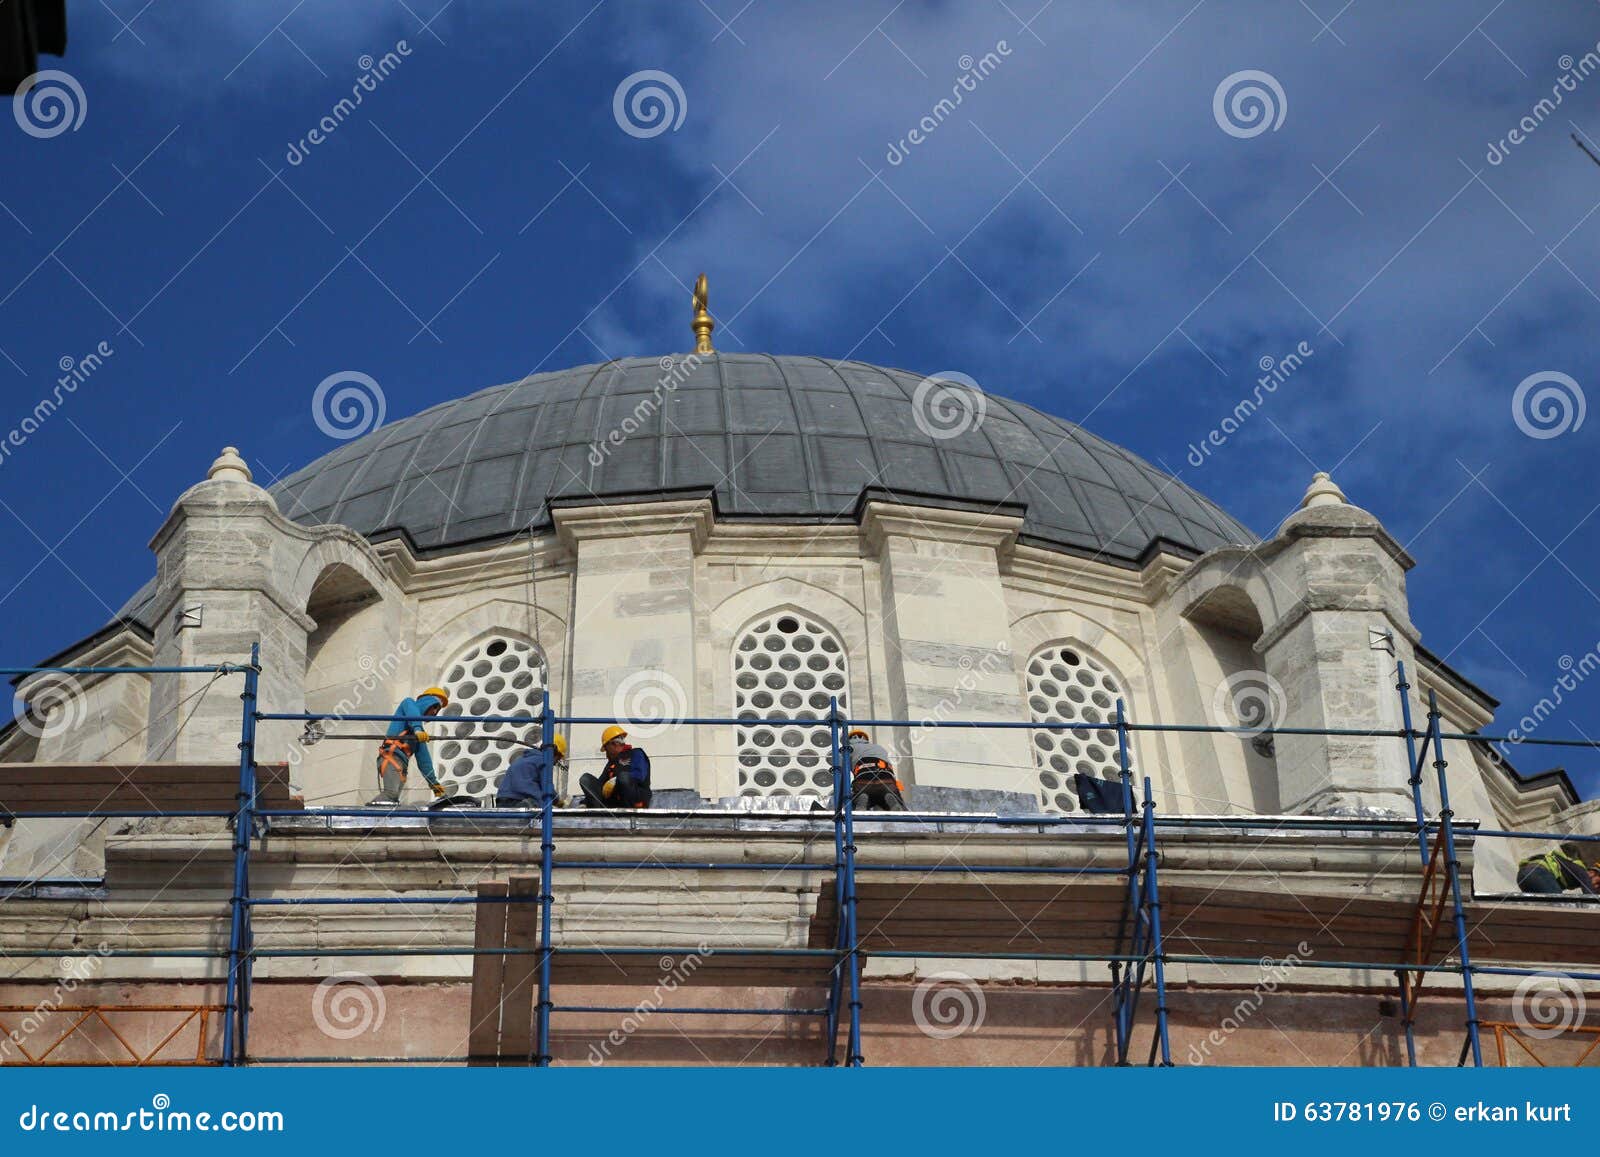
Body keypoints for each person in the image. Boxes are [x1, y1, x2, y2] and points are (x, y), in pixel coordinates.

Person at [370, 687, 449, 806]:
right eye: (435, 707)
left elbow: (424, 760)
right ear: (428, 701)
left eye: (437, 711)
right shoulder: (408, 703)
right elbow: (412, 713)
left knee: (393, 800)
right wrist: (417, 729)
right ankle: (369, 814)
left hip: (401, 764)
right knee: (390, 795)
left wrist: (434, 784)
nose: (434, 713)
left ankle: (377, 815)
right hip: (391, 756)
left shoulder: (419, 733)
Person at [580, 725, 652, 808]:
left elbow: (639, 774)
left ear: (615, 744)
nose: (606, 753)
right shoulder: (611, 764)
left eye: (606, 749)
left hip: (634, 799)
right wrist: (584, 802)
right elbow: (600, 783)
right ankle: (597, 810)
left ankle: (629, 810)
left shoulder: (636, 753)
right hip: (614, 803)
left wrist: (616, 780)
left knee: (623, 777)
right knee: (586, 779)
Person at [494, 734, 568, 809]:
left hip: (501, 801)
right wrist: (559, 802)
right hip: (520, 802)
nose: (556, 763)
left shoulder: (523, 759)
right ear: (555, 752)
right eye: (558, 758)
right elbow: (548, 789)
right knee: (542, 808)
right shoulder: (544, 761)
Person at [846, 728, 906, 811]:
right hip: (887, 779)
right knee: (886, 799)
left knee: (859, 797)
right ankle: (890, 797)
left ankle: (861, 799)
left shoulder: (849, 748)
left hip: (863, 780)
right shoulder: (879, 747)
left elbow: (839, 763)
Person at [1517, 843, 1600, 895]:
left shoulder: (1570, 870)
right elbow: (1590, 896)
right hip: (1538, 873)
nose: (1596, 887)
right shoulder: (1582, 871)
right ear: (1592, 873)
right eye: (1598, 882)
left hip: (1524, 876)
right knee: (1559, 903)